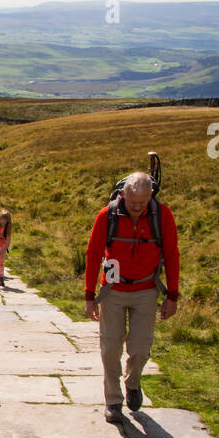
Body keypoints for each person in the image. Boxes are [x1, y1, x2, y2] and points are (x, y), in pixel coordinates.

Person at [84, 172, 179, 423]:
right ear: (123, 194)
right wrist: (89, 296)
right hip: (112, 290)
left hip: (146, 290)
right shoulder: (107, 215)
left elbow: (171, 254)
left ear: (151, 196)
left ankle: (133, 382)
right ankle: (113, 401)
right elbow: (93, 254)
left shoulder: (163, 216)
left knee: (140, 348)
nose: (137, 207)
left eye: (143, 203)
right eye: (132, 202)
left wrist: (172, 295)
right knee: (110, 349)